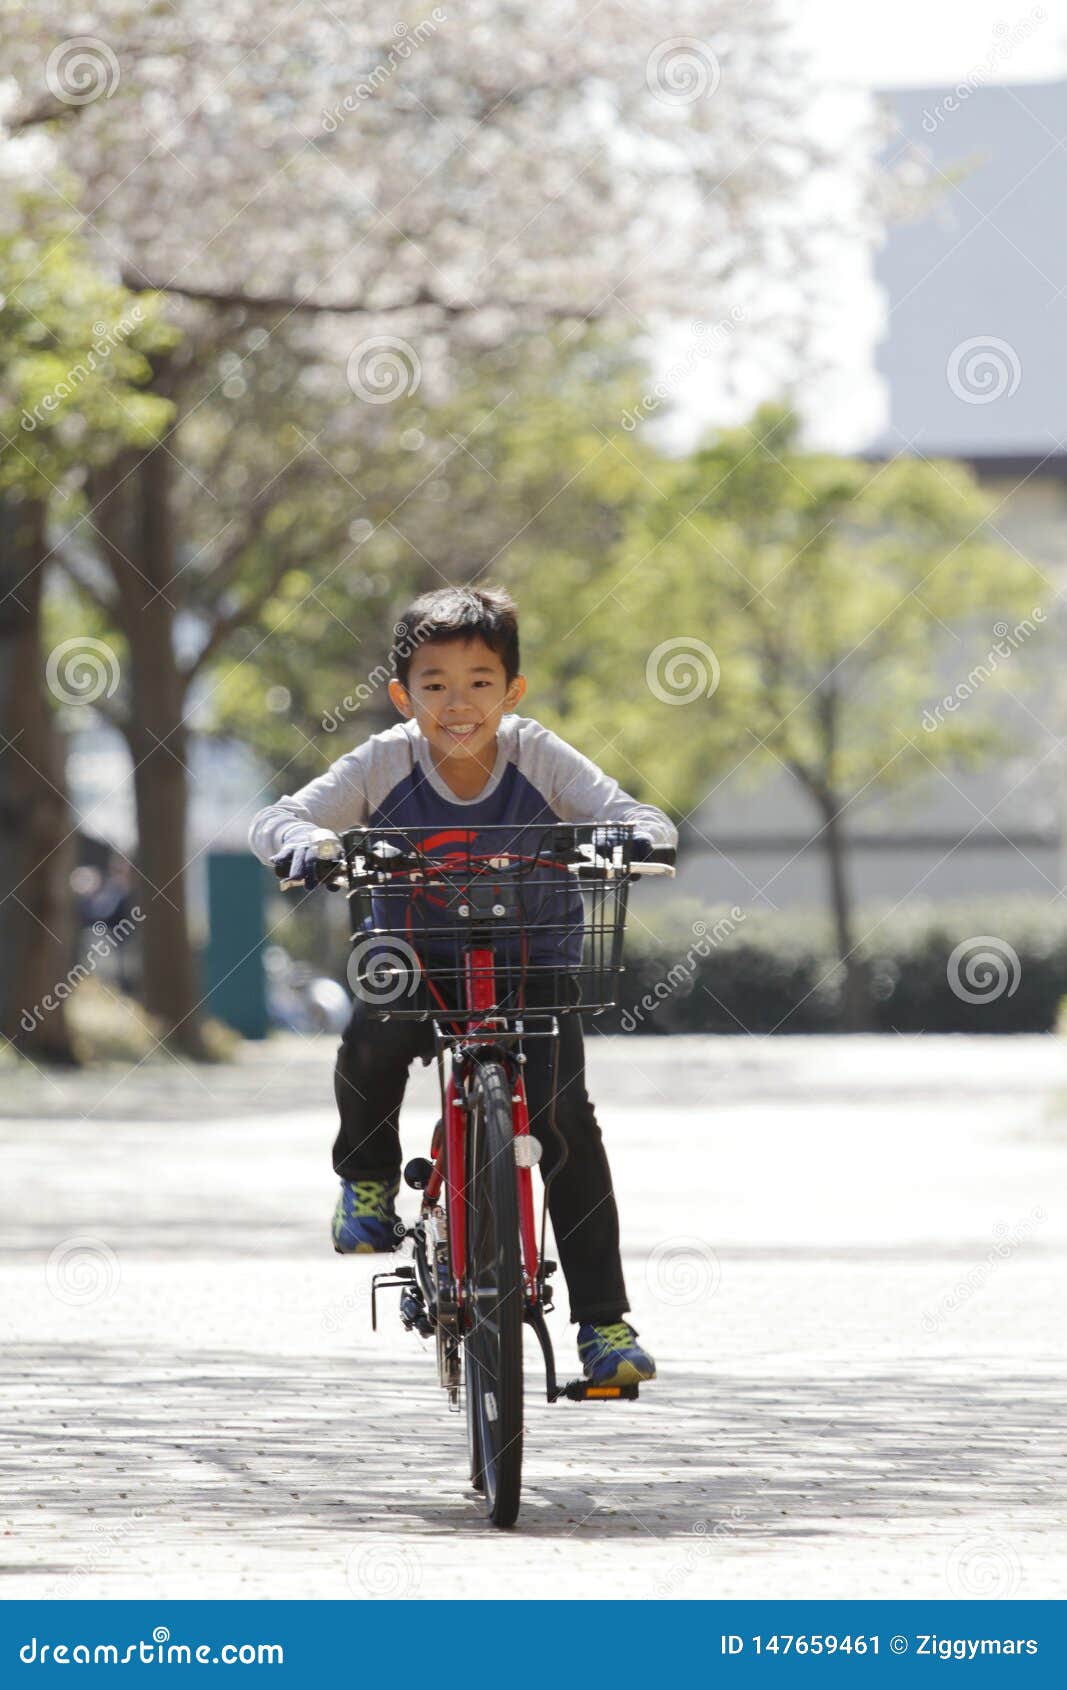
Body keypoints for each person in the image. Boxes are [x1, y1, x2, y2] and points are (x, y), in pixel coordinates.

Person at [247, 586, 678, 1387]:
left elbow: (630, 812)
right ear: (402, 695)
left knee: (562, 1120)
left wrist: (636, 835)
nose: (458, 702)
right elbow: (278, 818)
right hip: (416, 958)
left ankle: (603, 1327)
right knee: (371, 1038)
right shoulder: (384, 759)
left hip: (529, 964)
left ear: (511, 691)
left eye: (480, 682)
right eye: (434, 683)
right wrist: (308, 844)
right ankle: (369, 1179)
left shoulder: (537, 753)